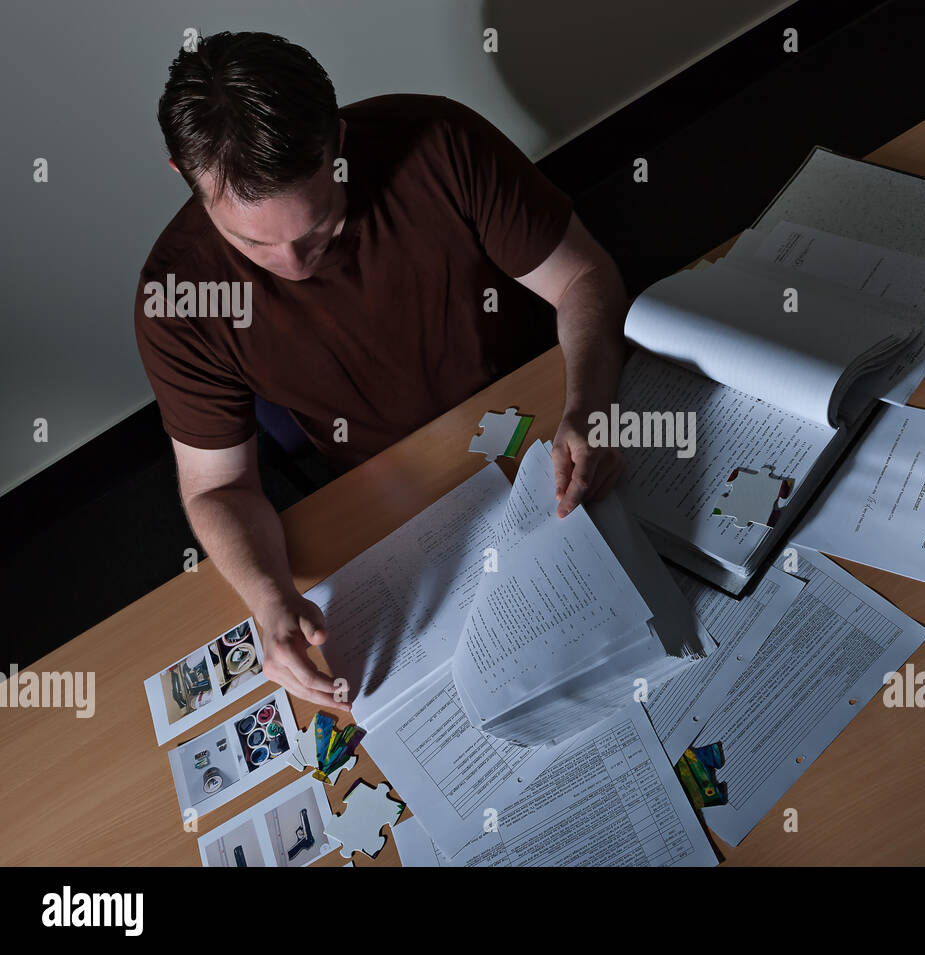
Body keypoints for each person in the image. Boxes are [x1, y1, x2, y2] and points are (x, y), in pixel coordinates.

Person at [134, 32, 627, 710]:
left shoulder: (438, 140)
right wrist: (270, 598)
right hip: (388, 491)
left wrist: (590, 406)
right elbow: (217, 489)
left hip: (539, 399)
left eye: (318, 229)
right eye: (252, 243)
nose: (294, 264)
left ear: (337, 142)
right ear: (184, 177)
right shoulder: (179, 296)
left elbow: (584, 277)